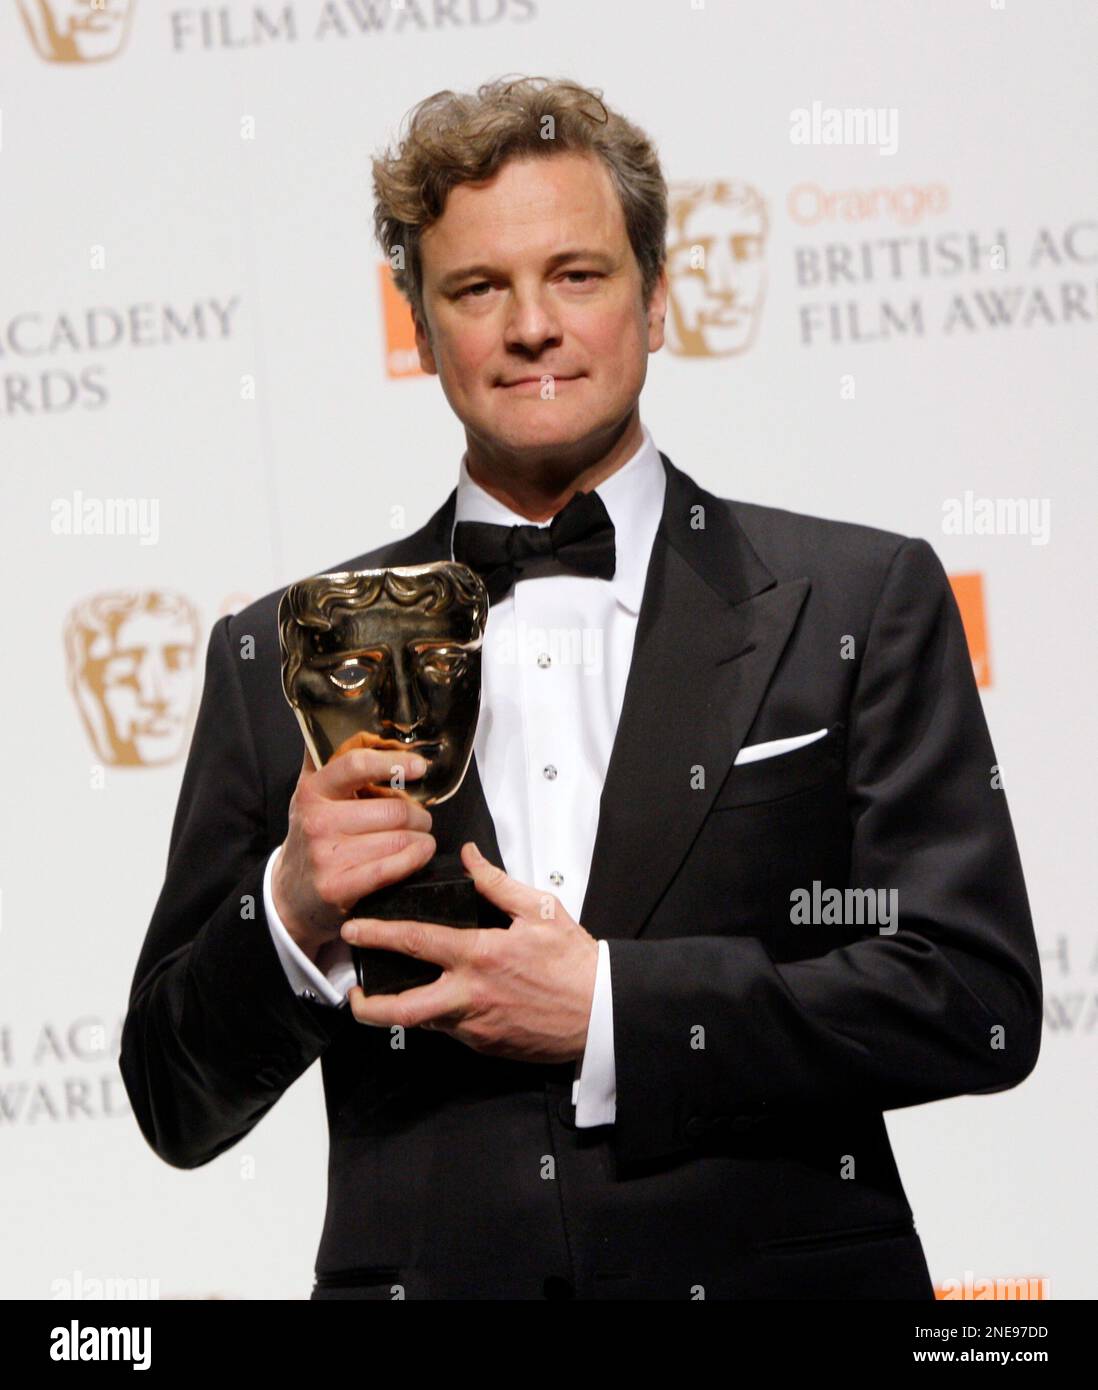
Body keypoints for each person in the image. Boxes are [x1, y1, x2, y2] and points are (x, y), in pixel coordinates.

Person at [120, 76, 1042, 1300]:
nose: (532, 326)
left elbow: (973, 997)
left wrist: (618, 1009)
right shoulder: (283, 653)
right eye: (477, 289)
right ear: (420, 324)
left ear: (657, 300)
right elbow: (172, 1099)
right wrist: (288, 912)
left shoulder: (858, 600)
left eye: (578, 273)